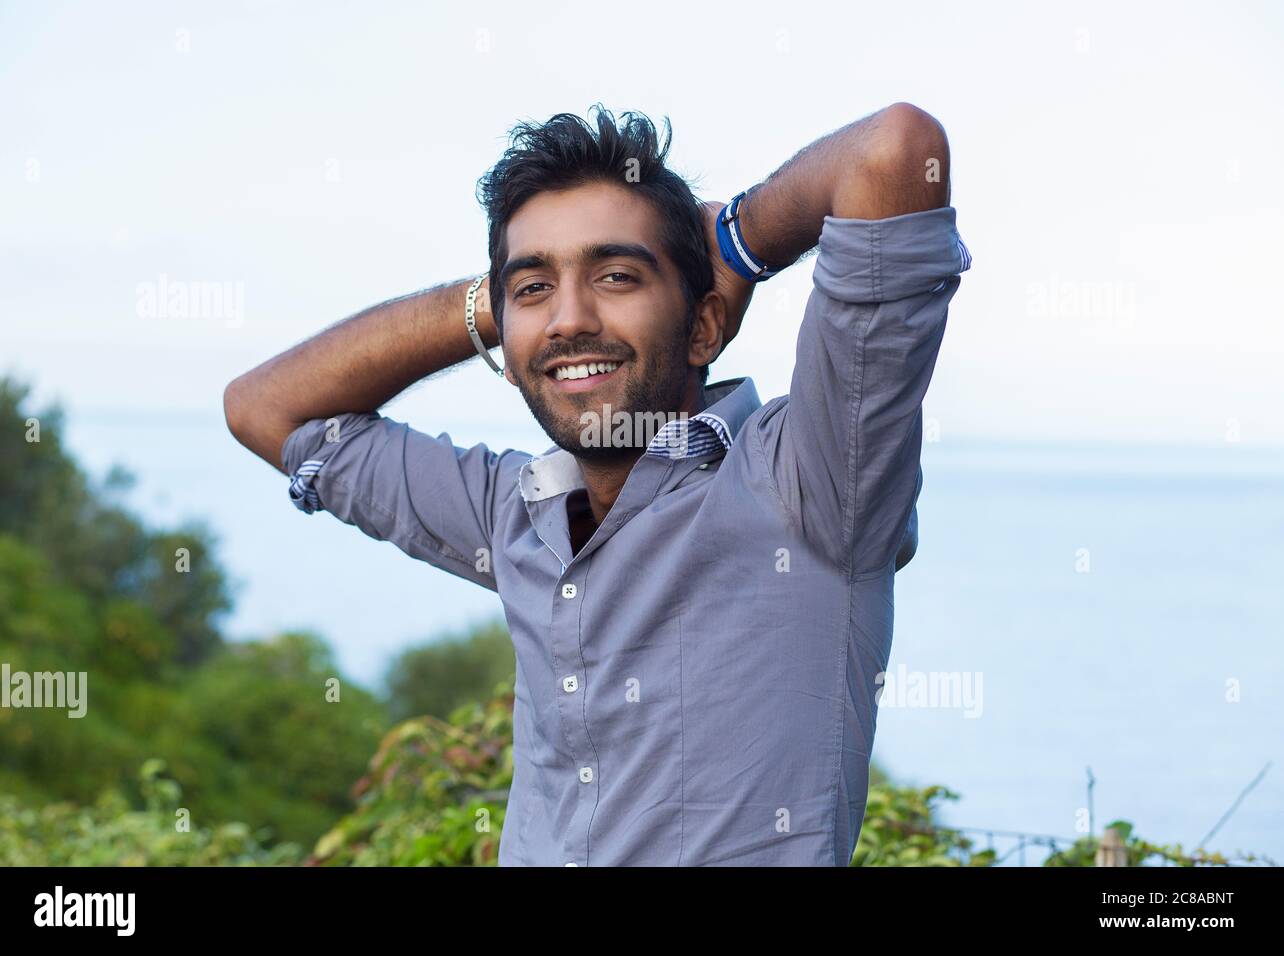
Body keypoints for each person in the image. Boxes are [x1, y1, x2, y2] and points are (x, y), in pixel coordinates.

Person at [224, 102, 972, 866]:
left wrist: (734, 243)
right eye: (537, 288)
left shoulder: (810, 483)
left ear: (704, 326)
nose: (571, 319)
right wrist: (500, 307)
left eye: (617, 275)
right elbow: (264, 408)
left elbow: (895, 152)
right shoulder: (511, 514)